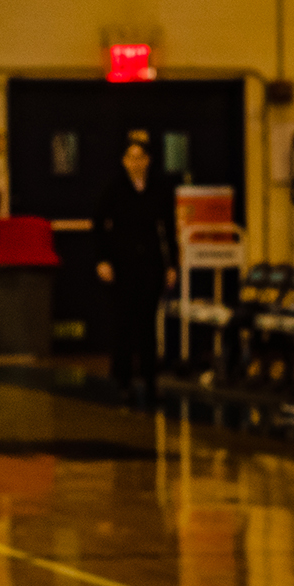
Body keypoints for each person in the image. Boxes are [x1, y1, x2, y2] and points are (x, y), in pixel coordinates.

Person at [93, 130, 177, 404]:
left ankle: (152, 382)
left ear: (148, 160)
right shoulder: (115, 189)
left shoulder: (160, 189)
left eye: (140, 158)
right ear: (124, 161)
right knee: (124, 325)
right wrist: (102, 259)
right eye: (130, 158)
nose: (135, 163)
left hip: (150, 263)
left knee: (148, 326)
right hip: (123, 264)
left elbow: (169, 229)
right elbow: (99, 225)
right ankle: (124, 381)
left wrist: (171, 264)